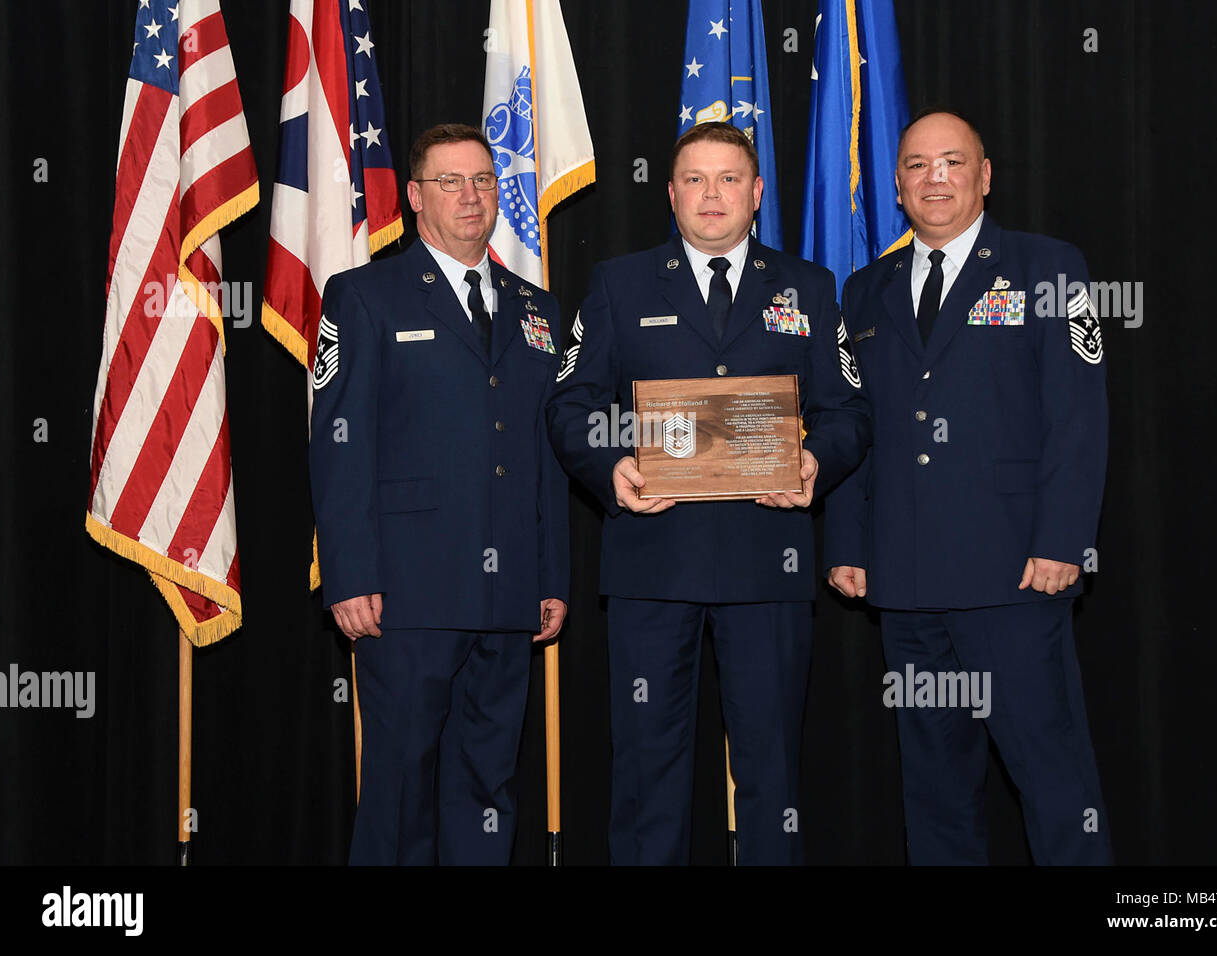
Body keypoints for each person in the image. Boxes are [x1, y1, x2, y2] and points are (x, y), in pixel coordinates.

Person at [547, 122, 868, 865]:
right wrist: (613, 465)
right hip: (652, 563)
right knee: (647, 770)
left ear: (757, 194)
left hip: (769, 566)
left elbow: (850, 411)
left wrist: (815, 463)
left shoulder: (810, 287)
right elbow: (569, 404)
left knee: (771, 769)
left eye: (729, 179)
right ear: (670, 193)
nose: (711, 194)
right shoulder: (619, 284)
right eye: (695, 178)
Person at [824, 109, 1112, 865]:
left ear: (984, 176)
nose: (936, 178)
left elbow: (1078, 419)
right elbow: (857, 428)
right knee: (935, 787)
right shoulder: (863, 290)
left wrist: (1063, 541)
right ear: (897, 185)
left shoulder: (1048, 268)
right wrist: (849, 541)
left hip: (1014, 576)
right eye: (917, 165)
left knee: (1052, 778)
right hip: (907, 583)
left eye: (953, 162)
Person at [309, 123, 570, 865]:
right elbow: (339, 444)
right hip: (407, 590)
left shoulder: (538, 311)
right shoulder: (363, 296)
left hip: (509, 591)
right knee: (398, 789)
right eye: (451, 182)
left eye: (484, 180)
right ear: (416, 196)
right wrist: (350, 572)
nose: (470, 196)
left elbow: (544, 455)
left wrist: (551, 576)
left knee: (488, 788)